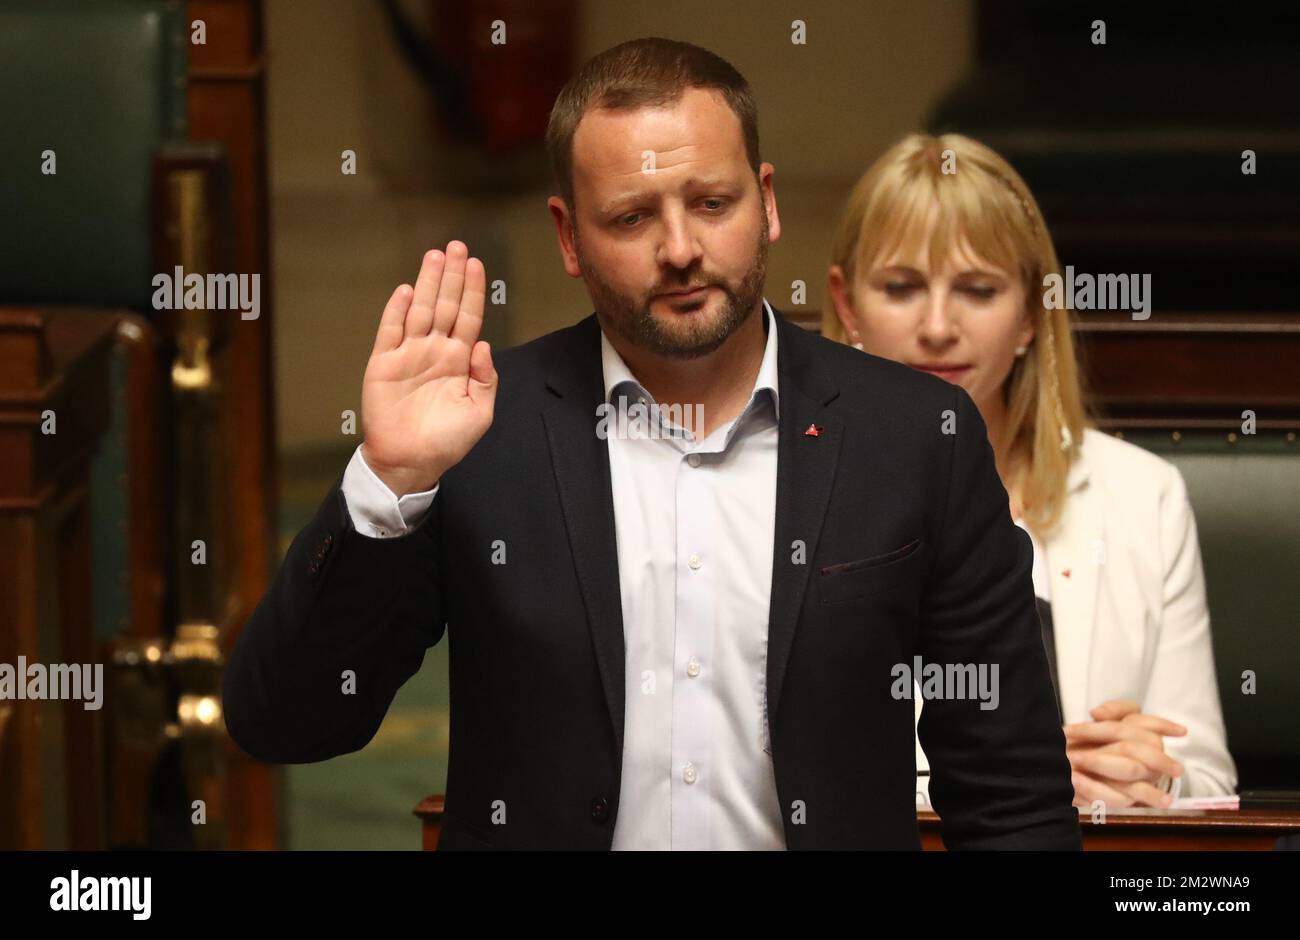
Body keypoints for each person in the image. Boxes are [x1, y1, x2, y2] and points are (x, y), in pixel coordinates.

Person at [223, 40, 1080, 849]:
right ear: (569, 237)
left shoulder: (914, 436)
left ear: (768, 202)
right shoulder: (481, 431)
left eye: (712, 204)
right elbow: (285, 722)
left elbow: (1010, 795)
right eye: (631, 217)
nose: (680, 250)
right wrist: (389, 481)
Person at [823, 133, 1237, 808]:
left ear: (1029, 315)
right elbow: (774, 778)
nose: (938, 326)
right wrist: (1028, 773)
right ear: (846, 305)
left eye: (978, 290)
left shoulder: (1145, 494)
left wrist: (1146, 771)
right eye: (902, 288)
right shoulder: (786, 491)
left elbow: (1206, 778)